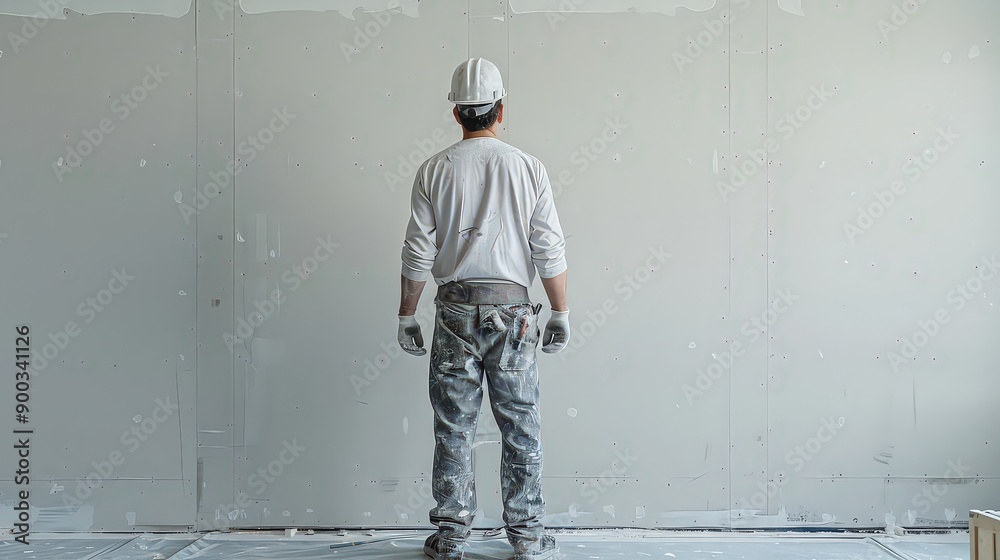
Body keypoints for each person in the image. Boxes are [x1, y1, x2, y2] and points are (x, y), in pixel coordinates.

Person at [396, 58, 570, 560]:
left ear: (456, 114)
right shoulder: (528, 168)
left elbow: (416, 252)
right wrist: (559, 311)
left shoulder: (434, 169)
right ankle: (529, 537)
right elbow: (549, 248)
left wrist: (407, 313)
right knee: (520, 423)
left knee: (453, 426)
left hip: (454, 312)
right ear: (500, 108)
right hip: (514, 315)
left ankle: (450, 537)